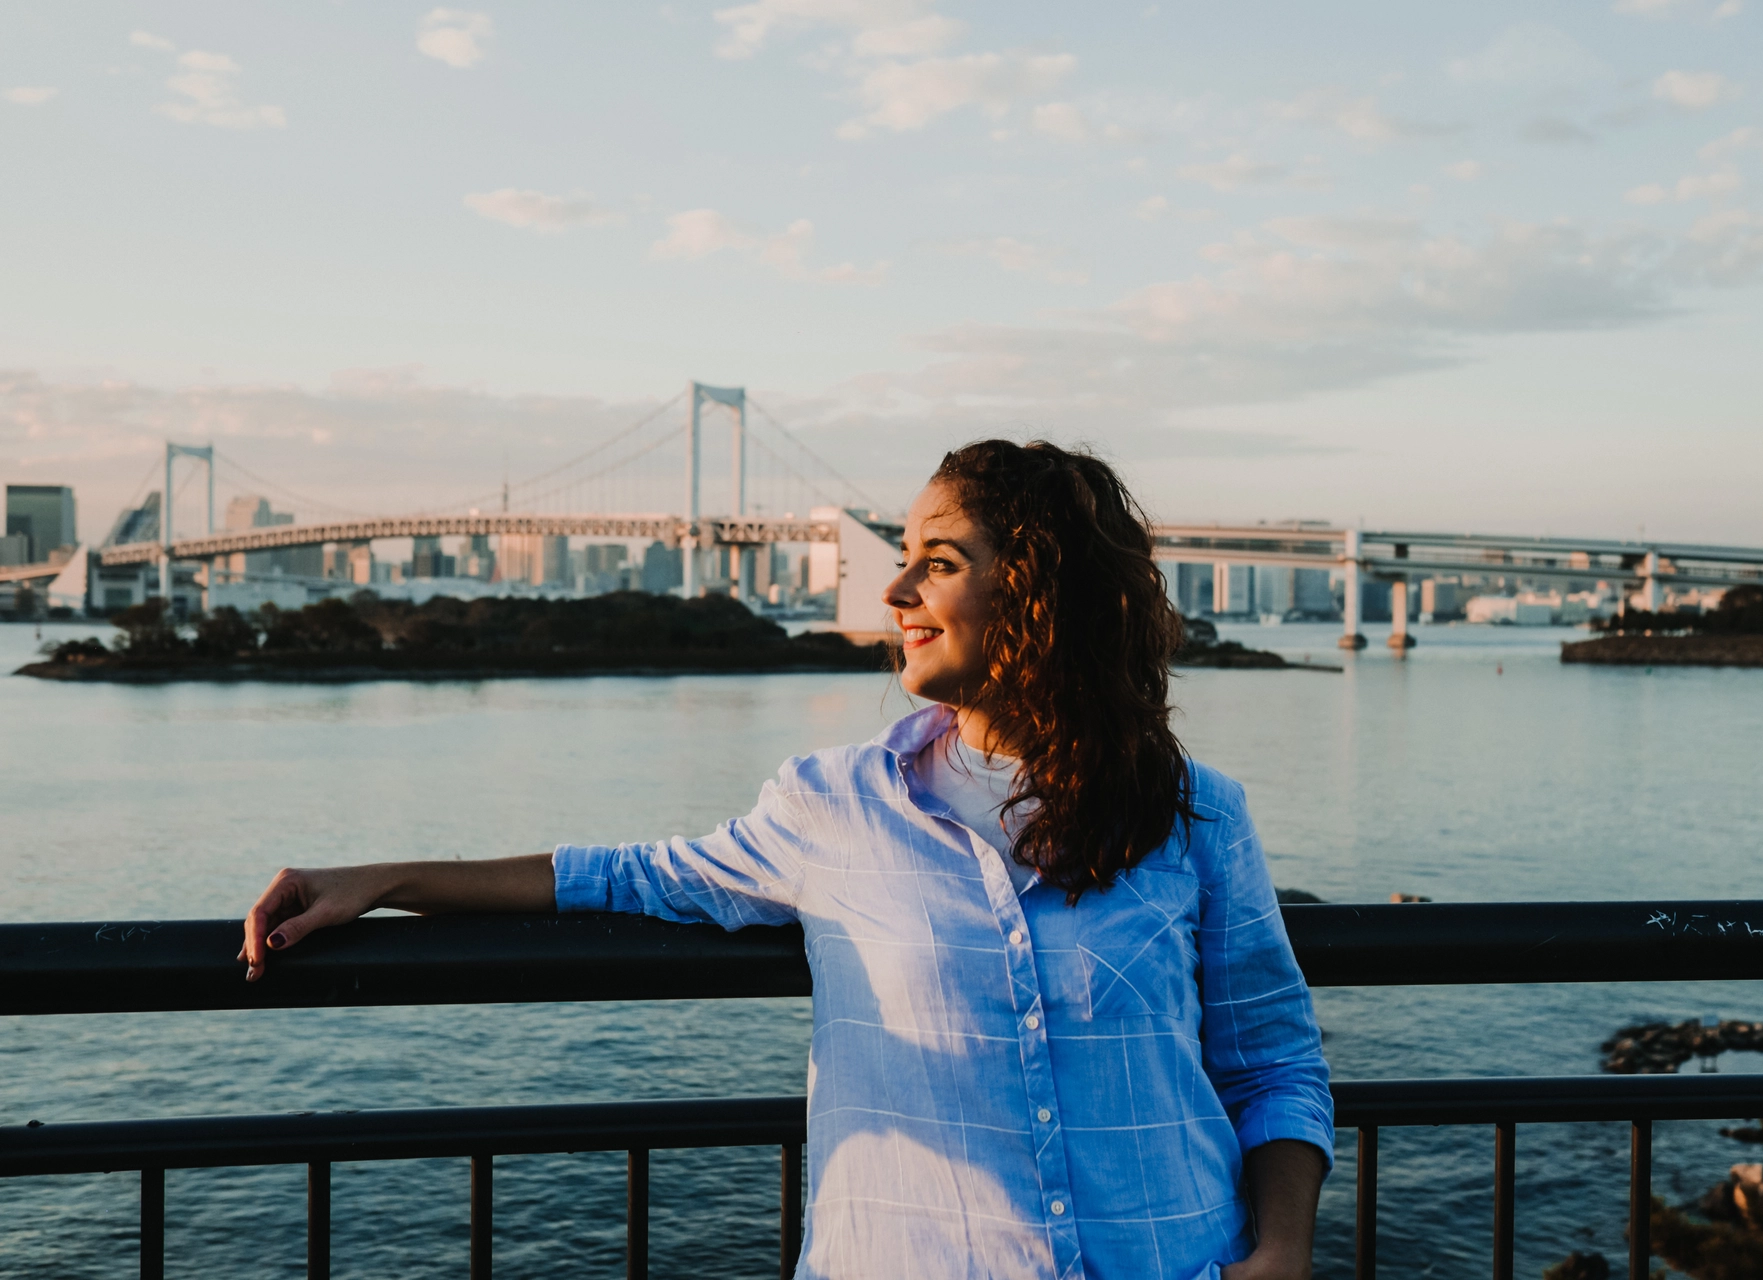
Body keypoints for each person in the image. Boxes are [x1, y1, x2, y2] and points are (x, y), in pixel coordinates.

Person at [241, 439, 1334, 1280]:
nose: (894, 595)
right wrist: (380, 879)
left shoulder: (1194, 813)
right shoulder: (834, 806)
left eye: (936, 565)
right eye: (899, 564)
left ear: (1041, 588)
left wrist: (1280, 1249)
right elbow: (620, 874)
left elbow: (1273, 1062)